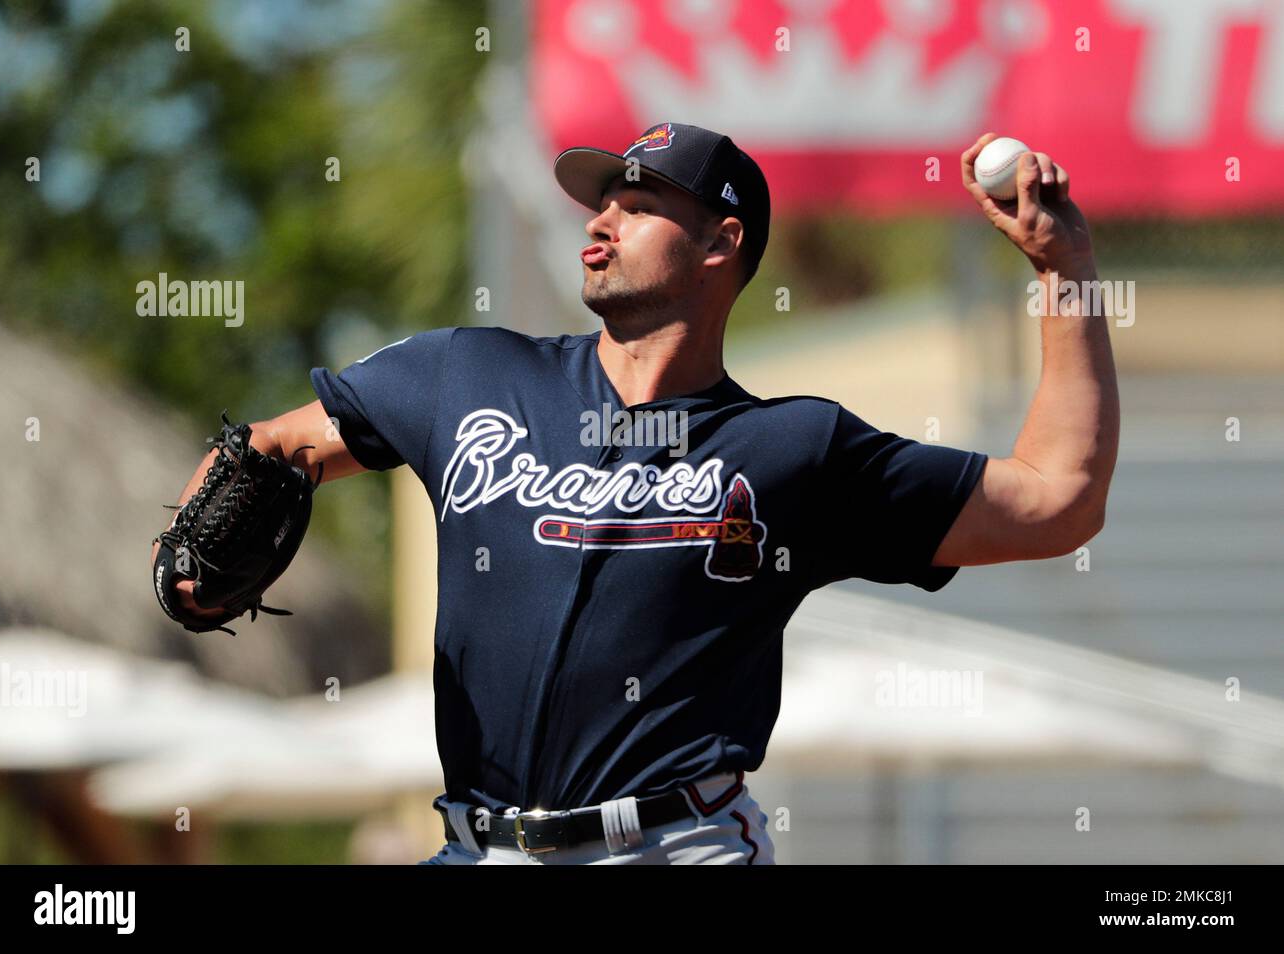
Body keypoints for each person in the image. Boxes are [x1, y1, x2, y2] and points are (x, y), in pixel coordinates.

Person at [152, 123, 1118, 864]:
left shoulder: (796, 449)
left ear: (718, 243)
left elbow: (1056, 498)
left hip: (674, 846)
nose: (600, 218)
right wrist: (193, 562)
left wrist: (1062, 270)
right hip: (480, 844)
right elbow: (270, 447)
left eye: (640, 201)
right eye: (600, 198)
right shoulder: (467, 376)